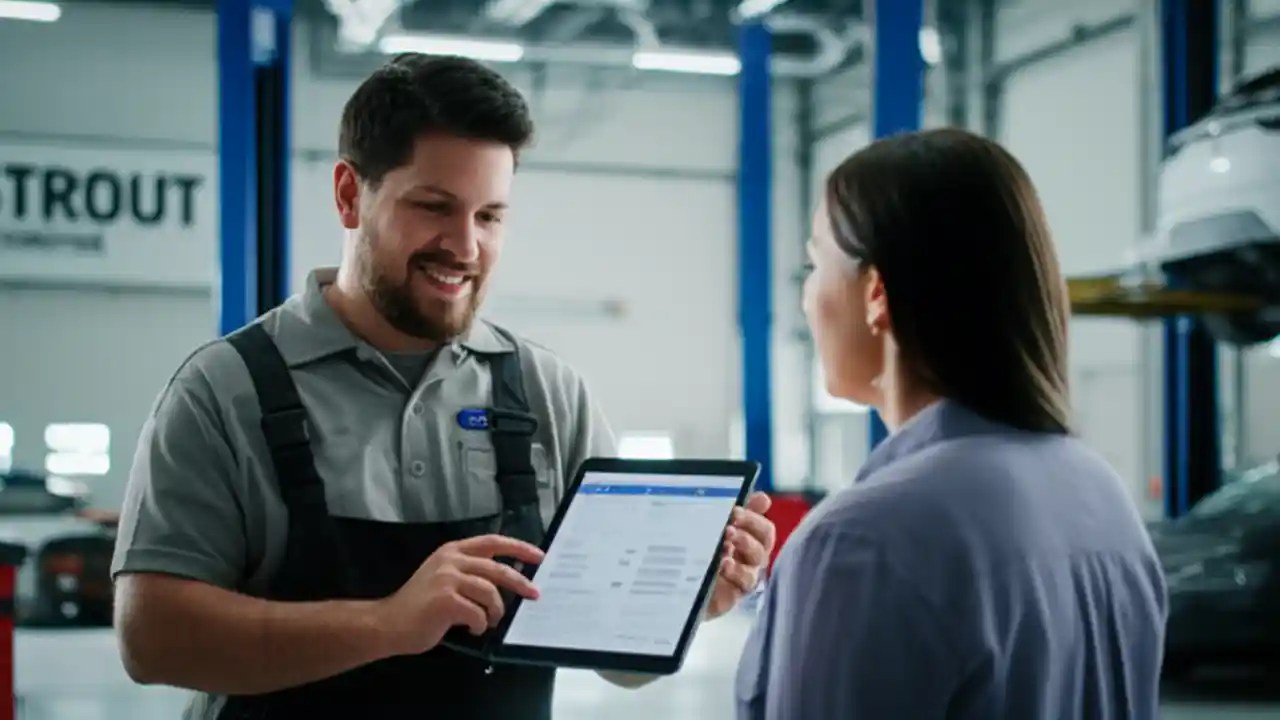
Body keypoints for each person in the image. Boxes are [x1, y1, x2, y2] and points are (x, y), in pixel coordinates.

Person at [110, 53, 776, 720]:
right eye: (434, 207)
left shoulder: (548, 395)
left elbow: (613, 661)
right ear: (348, 194)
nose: (465, 245)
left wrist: (690, 601)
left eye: (489, 216)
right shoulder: (225, 390)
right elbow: (152, 639)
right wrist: (387, 624)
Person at [735, 129, 1167, 719]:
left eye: (814, 264)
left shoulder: (861, 541)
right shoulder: (1099, 493)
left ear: (876, 293)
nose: (807, 297)